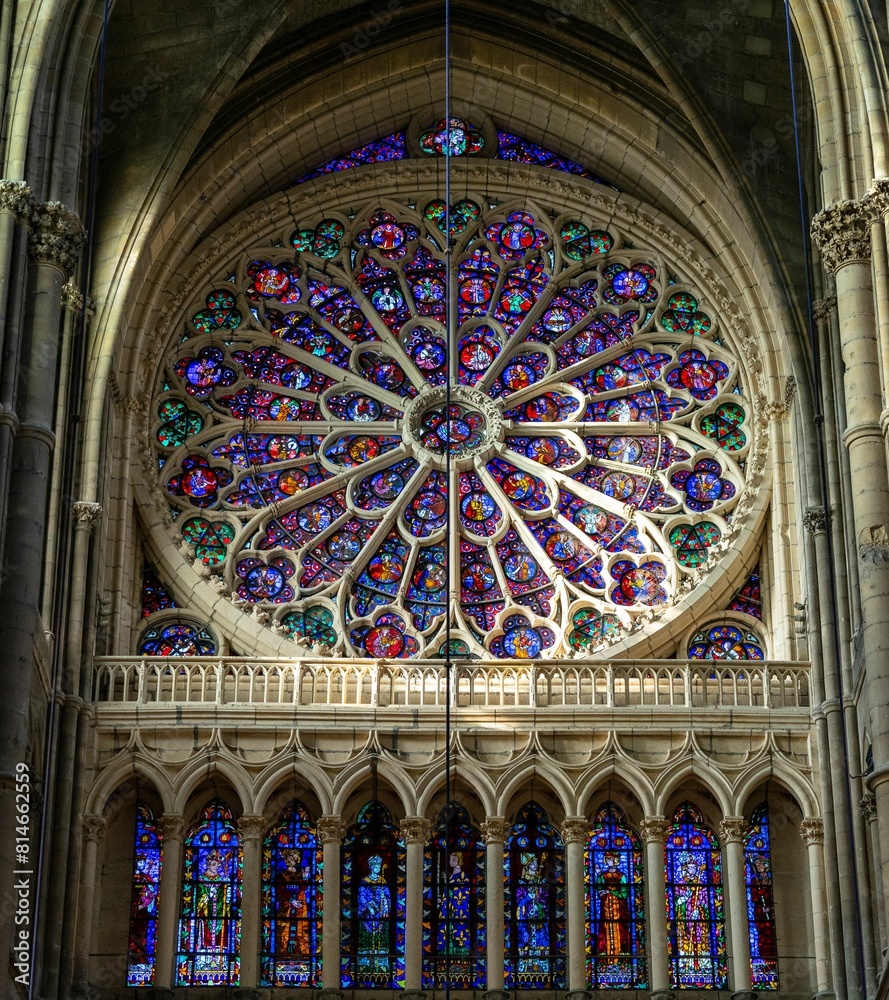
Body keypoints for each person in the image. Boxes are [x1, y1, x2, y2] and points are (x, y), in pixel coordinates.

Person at [357, 854, 391, 972]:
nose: (377, 868)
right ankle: (364, 962)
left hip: (379, 915)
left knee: (380, 939)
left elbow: (387, 897)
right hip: (367, 915)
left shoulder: (383, 882)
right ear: (371, 867)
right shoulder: (364, 881)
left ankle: (380, 962)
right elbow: (361, 896)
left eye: (379, 866)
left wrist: (384, 898)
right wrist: (368, 905)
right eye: (375, 866)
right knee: (366, 938)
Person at [595, 850, 631, 956]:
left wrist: (610, 891)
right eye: (607, 859)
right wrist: (599, 876)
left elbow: (624, 894)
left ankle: (621, 956)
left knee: (620, 929)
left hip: (619, 908)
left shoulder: (621, 876)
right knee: (605, 927)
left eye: (610, 859)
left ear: (615, 861)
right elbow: (599, 889)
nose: (608, 861)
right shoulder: (603, 875)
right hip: (606, 907)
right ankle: (605, 956)